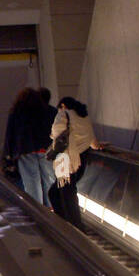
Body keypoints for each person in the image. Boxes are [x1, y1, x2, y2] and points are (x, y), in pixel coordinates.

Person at [50, 96, 102, 231]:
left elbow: (56, 133)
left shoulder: (63, 114)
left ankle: (73, 226)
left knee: (64, 193)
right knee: (61, 191)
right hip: (81, 160)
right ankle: (69, 223)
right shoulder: (84, 117)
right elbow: (93, 142)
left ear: (63, 105)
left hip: (66, 159)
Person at [4, 87, 56, 206]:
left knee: (32, 182)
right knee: (49, 180)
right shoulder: (48, 111)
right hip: (46, 149)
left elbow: (10, 134)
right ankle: (51, 209)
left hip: (25, 150)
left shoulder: (17, 112)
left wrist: (9, 154)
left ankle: (37, 209)